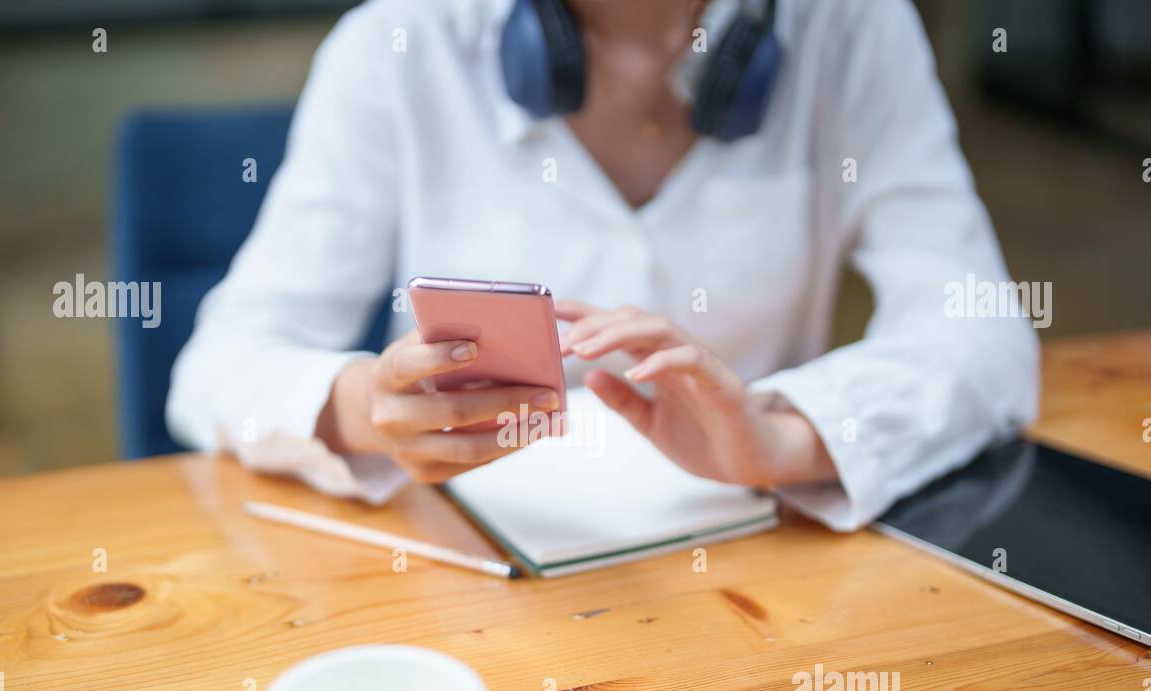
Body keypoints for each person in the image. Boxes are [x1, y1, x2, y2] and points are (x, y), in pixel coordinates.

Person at [167, 0, 1038, 531]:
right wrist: (370, 410)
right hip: (470, 578)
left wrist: (784, 438)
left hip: (765, 566)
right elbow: (217, 369)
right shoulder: (395, 45)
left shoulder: (854, 28)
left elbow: (983, 333)